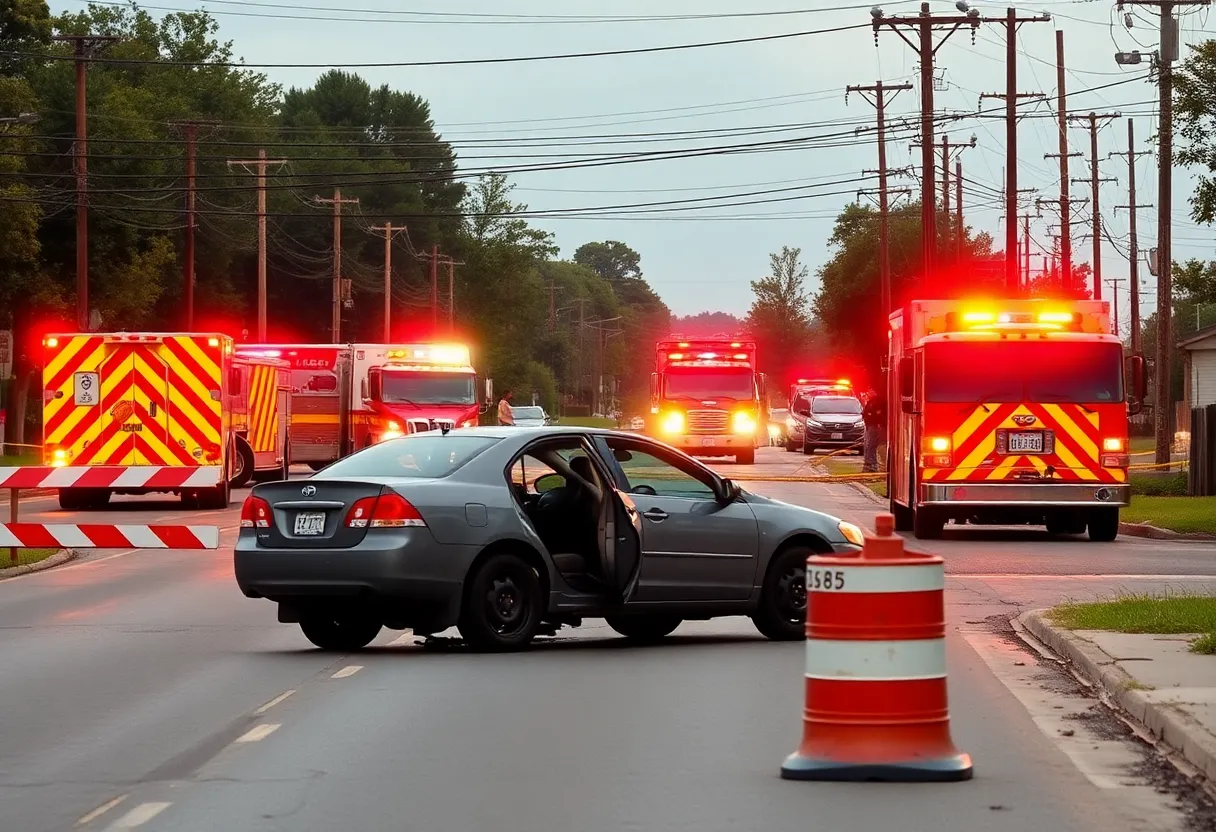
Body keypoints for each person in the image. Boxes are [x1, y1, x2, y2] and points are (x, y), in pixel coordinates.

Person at [862, 387, 886, 473]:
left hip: (876, 427)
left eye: (871, 390)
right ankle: (869, 465)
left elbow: (879, 415)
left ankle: (872, 465)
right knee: (869, 446)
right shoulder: (870, 402)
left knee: (873, 446)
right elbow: (866, 413)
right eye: (869, 391)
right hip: (870, 427)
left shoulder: (878, 402)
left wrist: (878, 422)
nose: (869, 392)